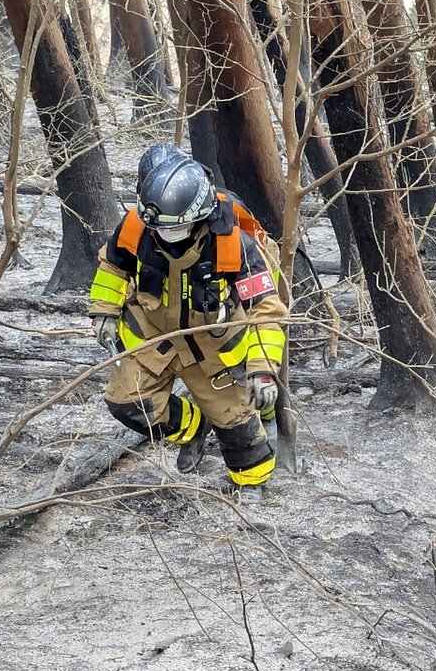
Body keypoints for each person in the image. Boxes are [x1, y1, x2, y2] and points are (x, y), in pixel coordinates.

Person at [88, 144, 287, 498]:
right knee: (129, 405)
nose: (163, 233)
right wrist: (103, 309)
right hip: (153, 338)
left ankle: (253, 483)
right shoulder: (139, 225)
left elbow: (266, 309)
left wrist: (261, 368)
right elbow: (113, 266)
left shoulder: (234, 245)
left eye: (172, 227)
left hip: (210, 349)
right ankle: (194, 429)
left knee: (238, 431)